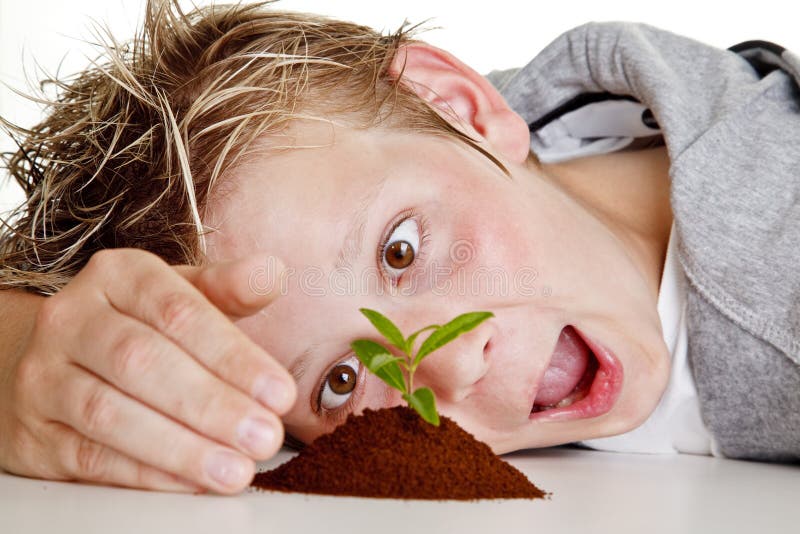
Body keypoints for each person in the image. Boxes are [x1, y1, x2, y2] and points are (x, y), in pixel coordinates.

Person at [1, 0, 798, 495]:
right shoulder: (459, 147)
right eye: (342, 379)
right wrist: (24, 346)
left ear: (460, 105)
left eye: (402, 252)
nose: (444, 370)